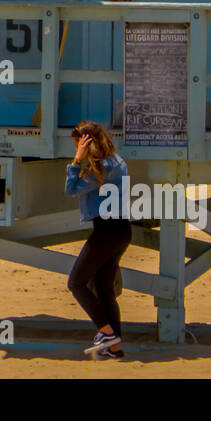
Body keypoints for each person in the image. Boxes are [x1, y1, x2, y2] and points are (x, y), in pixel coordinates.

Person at [64, 121, 131, 358]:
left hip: (106, 232)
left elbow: (71, 189)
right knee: (103, 288)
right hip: (121, 231)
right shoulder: (117, 161)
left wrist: (76, 160)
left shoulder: (99, 168)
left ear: (86, 143)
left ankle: (106, 332)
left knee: (76, 283)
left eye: (79, 144)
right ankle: (115, 347)